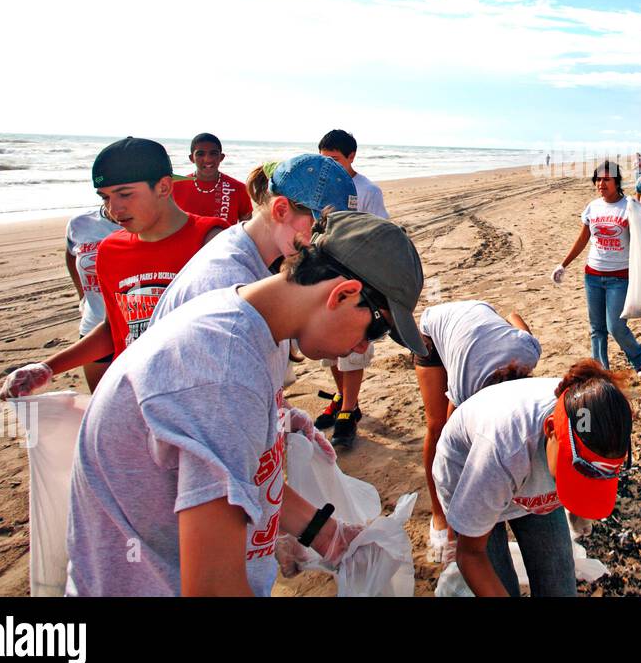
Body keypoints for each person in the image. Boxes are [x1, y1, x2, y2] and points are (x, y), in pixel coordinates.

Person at [64, 211, 430, 595]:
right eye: (376, 329)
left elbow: (235, 470)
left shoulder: (253, 322)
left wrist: (326, 535)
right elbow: (213, 590)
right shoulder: (223, 373)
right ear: (342, 294)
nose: (362, 347)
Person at [0, 137, 227, 399]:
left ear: (164, 187)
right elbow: (114, 329)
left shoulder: (213, 241)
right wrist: (47, 367)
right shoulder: (109, 250)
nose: (114, 209)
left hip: (199, 399)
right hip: (134, 394)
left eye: (125, 194)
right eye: (105, 197)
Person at [150, 154, 356, 392]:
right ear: (280, 210)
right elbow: (211, 401)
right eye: (322, 228)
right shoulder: (228, 284)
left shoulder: (258, 259)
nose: (327, 242)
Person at [433, 359, 632, 597]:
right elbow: (470, 554)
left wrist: (581, 505)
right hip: (471, 474)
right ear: (550, 429)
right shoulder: (504, 449)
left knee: (558, 582)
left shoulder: (602, 419)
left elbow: (590, 453)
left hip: (521, 470)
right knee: (499, 583)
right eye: (575, 472)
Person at [412, 301, 542, 563]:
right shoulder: (465, 384)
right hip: (436, 331)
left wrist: (510, 318)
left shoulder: (529, 351)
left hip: (484, 320)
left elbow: (517, 319)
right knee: (437, 426)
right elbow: (450, 451)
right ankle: (437, 515)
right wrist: (452, 524)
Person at [315, 129, 389, 448]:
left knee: (353, 345)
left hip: (355, 279)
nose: (328, 167)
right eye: (323, 160)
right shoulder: (317, 187)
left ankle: (348, 411)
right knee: (326, 347)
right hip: (321, 276)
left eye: (334, 160)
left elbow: (381, 234)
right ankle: (345, 398)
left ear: (351, 157)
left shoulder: (367, 190)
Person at [553, 160, 641, 376]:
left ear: (617, 181)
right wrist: (563, 264)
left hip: (620, 277)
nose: (601, 184)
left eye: (606, 179)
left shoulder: (630, 206)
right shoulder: (592, 207)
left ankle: (639, 357)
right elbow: (582, 240)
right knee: (596, 329)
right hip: (593, 276)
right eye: (598, 179)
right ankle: (601, 372)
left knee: (615, 326)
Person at [63, 204, 120, 391]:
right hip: (94, 325)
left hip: (139, 332)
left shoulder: (151, 223)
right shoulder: (81, 223)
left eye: (125, 193)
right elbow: (71, 254)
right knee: (100, 401)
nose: (115, 204)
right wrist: (83, 295)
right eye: (105, 195)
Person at [171, 132, 253, 226]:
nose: (208, 159)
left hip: (225, 241)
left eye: (213, 153)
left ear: (221, 157)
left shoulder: (238, 188)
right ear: (191, 158)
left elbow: (247, 229)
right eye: (200, 154)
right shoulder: (175, 187)